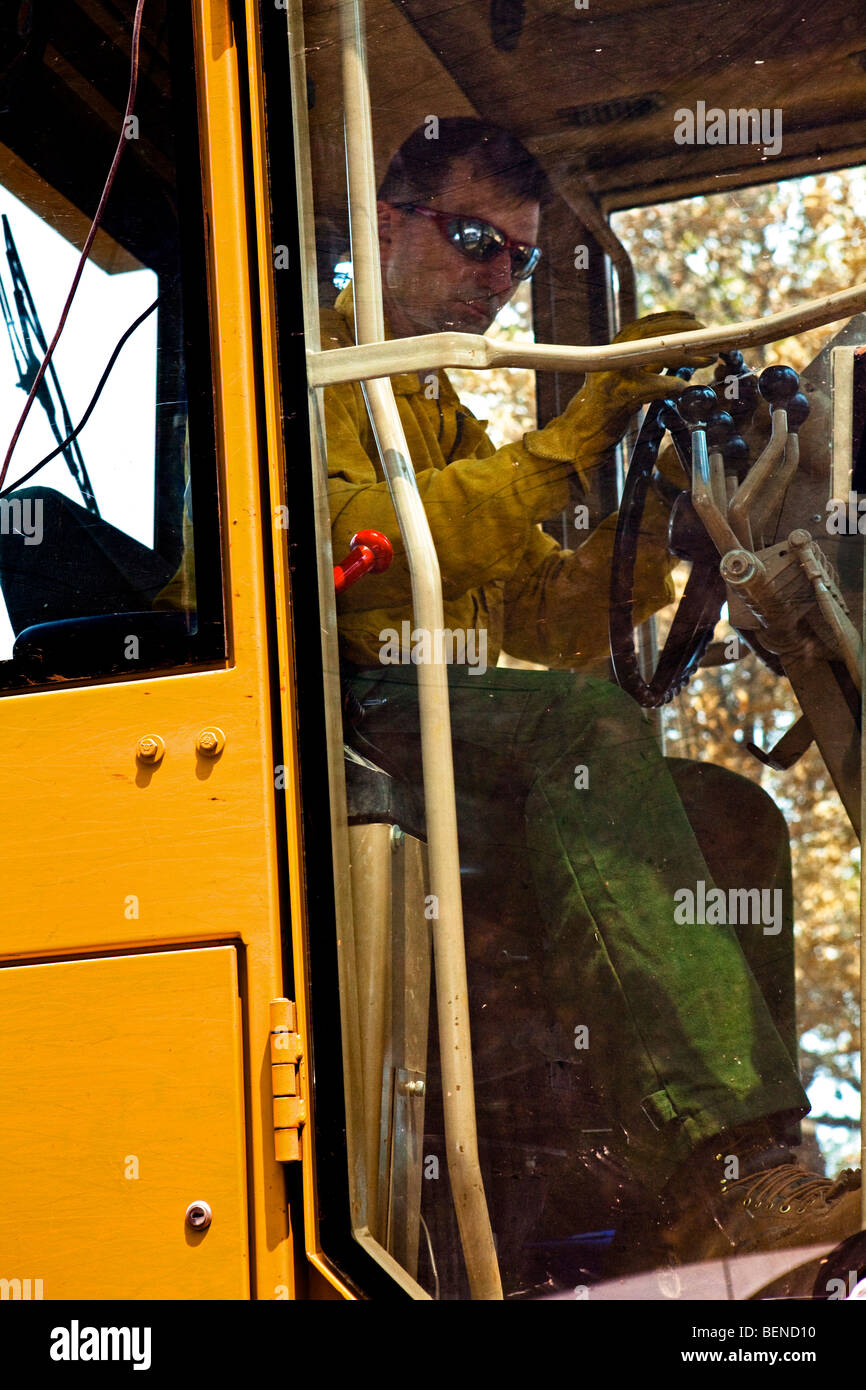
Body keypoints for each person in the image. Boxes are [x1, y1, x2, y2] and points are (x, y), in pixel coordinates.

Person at [322, 117, 860, 1283]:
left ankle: (728, 1184)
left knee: (730, 818)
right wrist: (576, 434)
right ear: (381, 225)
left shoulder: (433, 409)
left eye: (514, 258)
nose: (494, 282)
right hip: (317, 717)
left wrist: (661, 520)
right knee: (577, 733)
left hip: (418, 714)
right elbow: (353, 543)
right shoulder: (288, 368)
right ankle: (716, 1162)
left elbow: (543, 632)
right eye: (473, 240)